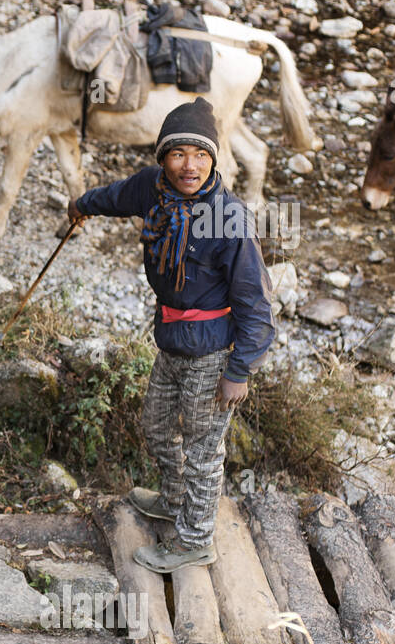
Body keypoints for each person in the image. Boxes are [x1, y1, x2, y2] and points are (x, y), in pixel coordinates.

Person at [67, 96, 275, 573]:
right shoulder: (151, 191)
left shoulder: (231, 219)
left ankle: (195, 539)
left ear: (214, 160)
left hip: (213, 351)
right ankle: (176, 499)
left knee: (203, 448)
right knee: (156, 426)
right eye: (179, 153)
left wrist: (239, 370)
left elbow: (257, 307)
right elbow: (116, 195)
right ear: (162, 158)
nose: (190, 165)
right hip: (170, 341)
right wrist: (81, 205)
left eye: (201, 155)